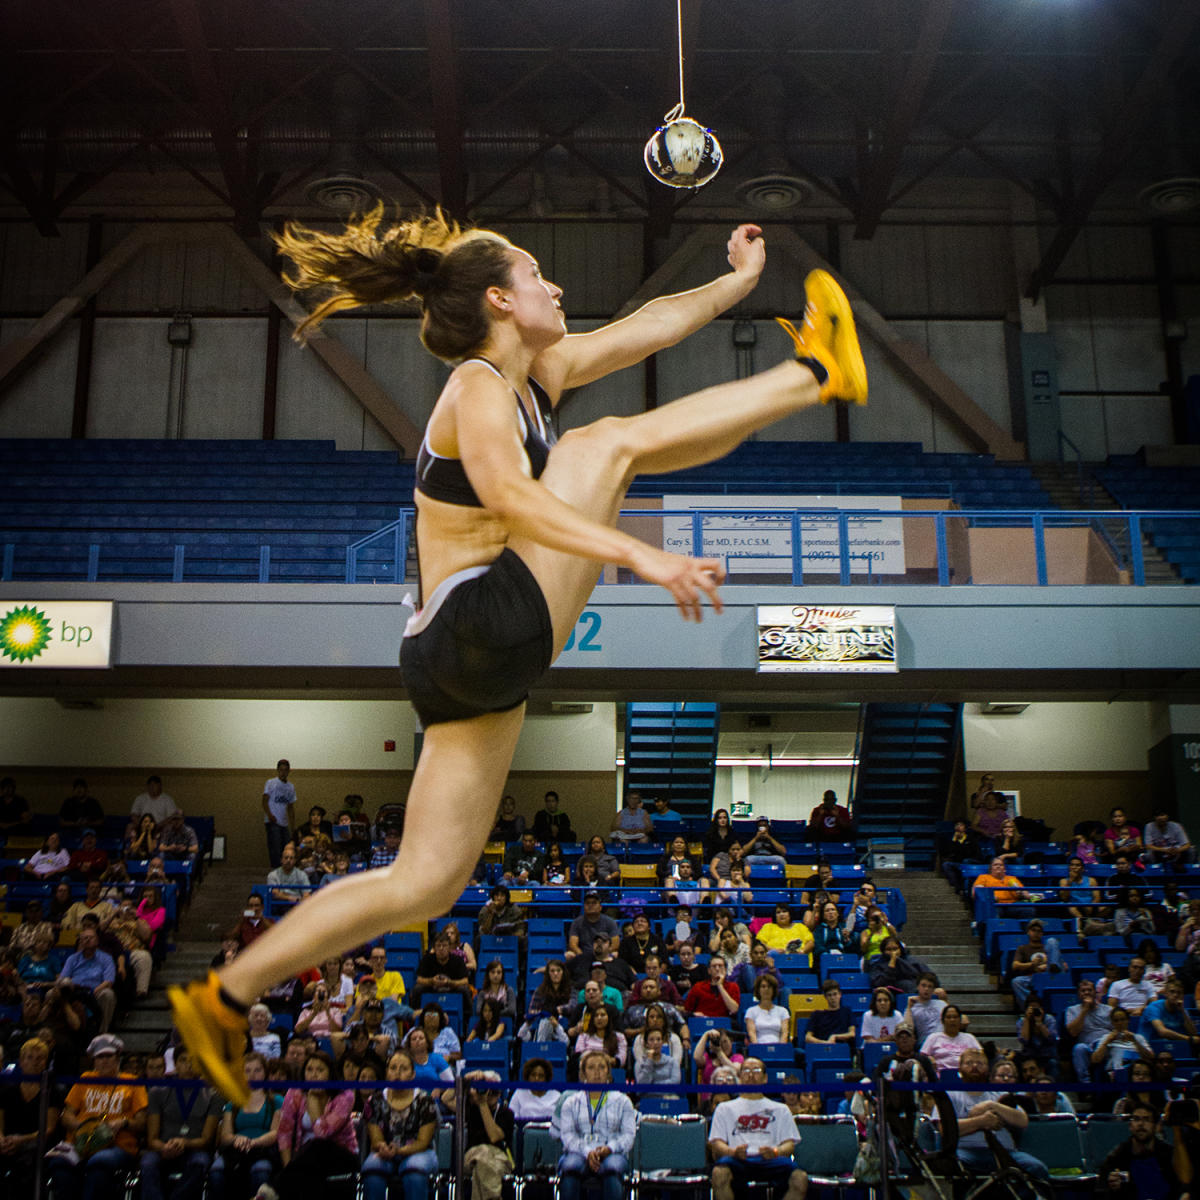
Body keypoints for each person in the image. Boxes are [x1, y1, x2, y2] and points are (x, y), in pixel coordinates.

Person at [171, 212, 866, 1103]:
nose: (557, 288)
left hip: (458, 662)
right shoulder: (474, 386)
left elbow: (648, 327)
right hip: (479, 622)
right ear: (500, 300)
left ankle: (223, 997)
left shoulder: (536, 375)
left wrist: (738, 283)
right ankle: (814, 375)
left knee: (424, 883)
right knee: (601, 445)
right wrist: (642, 556)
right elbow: (511, 494)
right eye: (539, 275)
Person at [46, 1033, 149, 1200]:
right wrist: (84, 1127)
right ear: (94, 1060)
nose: (104, 1061)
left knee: (99, 1162)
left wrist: (123, 1122)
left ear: (118, 1058)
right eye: (100, 1057)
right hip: (80, 1143)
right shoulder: (85, 1079)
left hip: (117, 1144)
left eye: (109, 1056)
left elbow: (142, 1122)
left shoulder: (133, 1082)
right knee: (59, 1164)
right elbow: (66, 1115)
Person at [941, 1047, 1050, 1185]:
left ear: (988, 1069)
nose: (974, 1066)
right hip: (965, 1151)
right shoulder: (949, 1095)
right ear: (960, 1069)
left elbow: (1023, 1121)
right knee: (954, 1166)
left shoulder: (1000, 1094)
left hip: (1005, 1152)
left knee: (1037, 1168)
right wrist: (981, 1122)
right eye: (969, 1063)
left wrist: (992, 1105)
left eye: (980, 1063)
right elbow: (945, 1130)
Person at [708, 1057, 809, 1200]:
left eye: (756, 1070)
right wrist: (732, 1152)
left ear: (765, 1078)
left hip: (771, 1161)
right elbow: (717, 1143)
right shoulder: (724, 1108)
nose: (750, 1075)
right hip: (737, 1160)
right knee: (719, 1174)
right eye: (746, 1070)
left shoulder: (781, 1109)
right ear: (739, 1077)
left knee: (800, 1178)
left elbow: (789, 1145)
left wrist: (776, 1151)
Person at [140, 1048, 222, 1200]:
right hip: (163, 1148)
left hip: (195, 1149)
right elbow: (152, 1139)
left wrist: (184, 1142)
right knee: (148, 1163)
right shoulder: (157, 1092)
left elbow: (207, 1140)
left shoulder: (213, 1094)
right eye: (183, 1060)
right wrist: (164, 1147)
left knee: (200, 1163)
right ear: (175, 1065)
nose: (189, 1065)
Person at [277, 1051, 359, 1199]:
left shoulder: (345, 1096)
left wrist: (313, 1102)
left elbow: (323, 1134)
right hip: (304, 1158)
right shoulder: (295, 1092)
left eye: (320, 1070)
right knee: (309, 1171)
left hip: (342, 1155)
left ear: (330, 1074)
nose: (314, 1075)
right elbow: (284, 1133)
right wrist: (290, 1167)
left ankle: (273, 1190)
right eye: (309, 1070)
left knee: (316, 1144)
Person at [557, 1051, 636, 1200]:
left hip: (613, 1153)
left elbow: (628, 1135)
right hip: (579, 1152)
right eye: (591, 1067)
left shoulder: (623, 1101)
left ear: (608, 1073)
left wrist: (610, 1148)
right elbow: (568, 1136)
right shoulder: (571, 1102)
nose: (597, 1072)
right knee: (570, 1167)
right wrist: (587, 1152)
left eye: (602, 1067)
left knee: (612, 1169)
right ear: (583, 1074)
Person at [361, 1049, 439, 1200]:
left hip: (419, 1152)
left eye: (403, 1069)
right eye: (393, 1068)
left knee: (414, 1171)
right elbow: (376, 1139)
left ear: (413, 1074)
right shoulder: (374, 1101)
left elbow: (423, 1142)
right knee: (372, 1169)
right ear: (386, 1073)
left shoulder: (425, 1101)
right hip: (386, 1153)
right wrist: (382, 1147)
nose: (397, 1073)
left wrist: (399, 1151)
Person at [209, 1052, 281, 1200]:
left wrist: (254, 1142)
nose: (252, 1075)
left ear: (265, 1073)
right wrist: (237, 1139)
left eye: (257, 1070)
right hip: (236, 1151)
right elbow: (225, 1136)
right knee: (216, 1170)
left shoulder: (277, 1101)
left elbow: (275, 1133)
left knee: (260, 1170)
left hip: (263, 1151)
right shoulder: (233, 1103)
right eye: (247, 1071)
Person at [0, 1037, 64, 1193]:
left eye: (39, 1058)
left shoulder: (53, 1092)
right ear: (21, 1061)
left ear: (45, 1063)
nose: (34, 1062)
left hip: (36, 1143)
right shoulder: (7, 1091)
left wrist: (21, 1140)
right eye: (30, 1057)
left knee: (29, 1161)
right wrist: (1, 1140)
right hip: (8, 1141)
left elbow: (48, 1130)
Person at [1099, 1101, 1188, 1200]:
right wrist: (1111, 1188)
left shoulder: (1170, 1155)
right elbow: (1101, 1189)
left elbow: (1183, 1187)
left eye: (1146, 1119)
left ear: (1157, 1126)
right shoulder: (1117, 1157)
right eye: (1136, 1119)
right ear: (1130, 1126)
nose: (1141, 1124)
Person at [461, 1070, 515, 1200]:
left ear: (500, 1093)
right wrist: (467, 1079)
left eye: (494, 1092)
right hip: (471, 1157)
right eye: (487, 1091)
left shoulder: (506, 1113)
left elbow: (494, 1137)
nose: (489, 1095)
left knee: (483, 1166)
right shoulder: (471, 1108)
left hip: (499, 1158)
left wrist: (483, 1104)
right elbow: (447, 1098)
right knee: (484, 1153)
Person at [57, 924, 118, 1032]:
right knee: (55, 991)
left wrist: (93, 992)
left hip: (96, 991)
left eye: (91, 937)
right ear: (81, 941)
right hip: (74, 990)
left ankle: (102, 1032)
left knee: (108, 994)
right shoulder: (72, 958)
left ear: (97, 941)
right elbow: (63, 978)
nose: (88, 940)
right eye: (85, 938)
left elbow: (108, 981)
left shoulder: (106, 958)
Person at [1008, 918, 1063, 1008]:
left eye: (1039, 931)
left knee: (1052, 941)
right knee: (1016, 981)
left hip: (1048, 973)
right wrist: (1032, 964)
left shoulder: (1047, 947)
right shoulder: (1022, 948)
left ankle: (1053, 968)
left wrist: (1048, 965)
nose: (1036, 933)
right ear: (1028, 932)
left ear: (1042, 934)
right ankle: (1031, 1006)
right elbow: (1015, 965)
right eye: (1033, 930)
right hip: (1032, 977)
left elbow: (1062, 963)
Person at [565, 892, 621, 980]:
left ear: (600, 907)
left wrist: (602, 955)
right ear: (584, 906)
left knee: (615, 954)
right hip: (583, 955)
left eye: (594, 903)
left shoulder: (610, 922)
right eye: (587, 903)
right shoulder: (577, 922)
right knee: (569, 955)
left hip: (604, 954)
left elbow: (615, 944)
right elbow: (573, 944)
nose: (590, 905)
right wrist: (583, 956)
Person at [1142, 977, 1200, 1055]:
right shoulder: (1153, 1007)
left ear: (1183, 996)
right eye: (1172, 992)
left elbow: (1193, 1033)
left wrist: (1182, 1011)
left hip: (1171, 1049)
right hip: (1149, 1049)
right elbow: (1162, 1032)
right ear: (1165, 993)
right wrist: (1189, 1039)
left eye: (1179, 993)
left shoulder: (1181, 1009)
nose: (1175, 995)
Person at [1091, 1006, 1154, 1077]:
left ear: (1128, 1020)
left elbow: (1150, 1057)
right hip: (1115, 1074)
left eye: (1123, 1019)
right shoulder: (1106, 1038)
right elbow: (1095, 1060)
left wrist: (1135, 1041)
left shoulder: (1138, 1038)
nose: (1120, 1023)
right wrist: (1107, 1041)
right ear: (1112, 1022)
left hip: (1136, 1074)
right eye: (1116, 1020)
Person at [413, 931, 471, 1005]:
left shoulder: (458, 960)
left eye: (444, 945)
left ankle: (467, 1012)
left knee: (465, 989)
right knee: (417, 989)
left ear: (449, 947)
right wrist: (431, 981)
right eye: (438, 946)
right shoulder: (427, 959)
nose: (441, 948)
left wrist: (449, 982)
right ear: (434, 948)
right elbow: (419, 979)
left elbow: (465, 981)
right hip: (432, 988)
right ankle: (415, 1011)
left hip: (452, 988)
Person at [920, 1004, 981, 1072]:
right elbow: (922, 1057)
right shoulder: (933, 1037)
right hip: (940, 1073)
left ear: (960, 1020)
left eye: (955, 1017)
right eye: (948, 1017)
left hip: (965, 1074)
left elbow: (981, 1056)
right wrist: (929, 1059)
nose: (952, 1020)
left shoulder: (969, 1038)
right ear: (942, 1021)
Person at [261, 759, 296, 869]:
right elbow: (264, 801)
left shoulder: (290, 787)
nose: (283, 773)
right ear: (277, 770)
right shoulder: (271, 783)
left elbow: (290, 807)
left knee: (287, 846)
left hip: (284, 822)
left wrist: (292, 826)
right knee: (275, 847)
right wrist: (270, 815)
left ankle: (285, 869)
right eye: (281, 770)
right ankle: (275, 869)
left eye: (285, 770)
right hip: (272, 821)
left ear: (289, 771)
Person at [805, 980, 857, 1047]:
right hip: (822, 1048)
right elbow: (808, 1037)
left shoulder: (847, 1012)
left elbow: (852, 1033)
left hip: (842, 1047)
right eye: (829, 995)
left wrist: (835, 1036)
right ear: (825, 997)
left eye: (835, 994)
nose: (832, 998)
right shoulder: (816, 1014)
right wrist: (825, 1043)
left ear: (840, 994)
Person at [509, 1057, 561, 1122]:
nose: (536, 1078)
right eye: (533, 1075)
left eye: (541, 1076)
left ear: (546, 1078)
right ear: (528, 1077)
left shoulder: (556, 1095)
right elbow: (511, 1118)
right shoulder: (519, 1093)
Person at [745, 974, 790, 1044]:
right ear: (758, 990)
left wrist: (780, 1048)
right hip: (758, 1047)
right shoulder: (751, 1011)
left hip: (778, 1047)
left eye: (769, 987)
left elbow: (784, 1034)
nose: (766, 989)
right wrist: (759, 1048)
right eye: (763, 986)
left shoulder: (783, 1011)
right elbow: (752, 1034)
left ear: (773, 990)